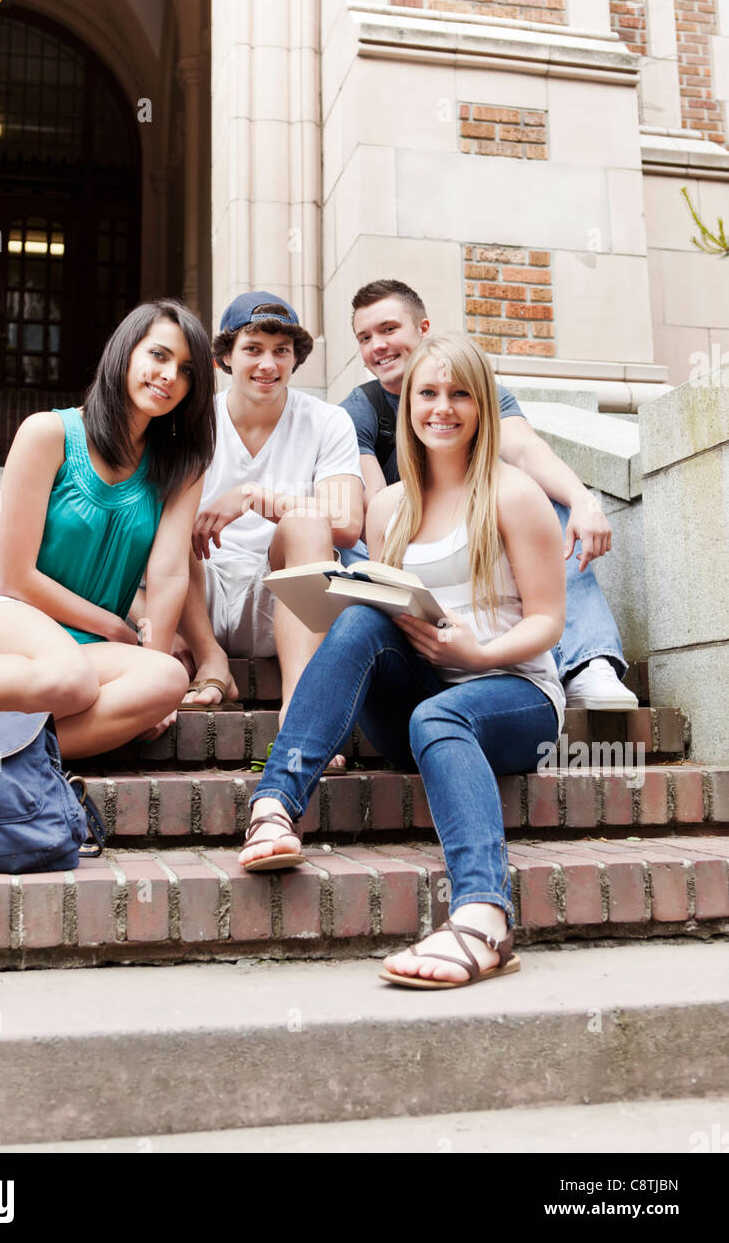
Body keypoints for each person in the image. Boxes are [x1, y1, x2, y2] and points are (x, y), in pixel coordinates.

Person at [239, 333, 566, 989]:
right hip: (420, 695)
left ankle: (484, 916)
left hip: (514, 694)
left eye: (459, 394)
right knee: (363, 617)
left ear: (482, 407)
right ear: (408, 403)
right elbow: (383, 615)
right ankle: (274, 805)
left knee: (441, 719)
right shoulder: (390, 508)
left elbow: (547, 622)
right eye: (429, 393)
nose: (442, 408)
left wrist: (477, 650)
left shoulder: (513, 493)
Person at [0, 300, 216, 759]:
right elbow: (16, 580)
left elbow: (170, 573)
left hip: (82, 646)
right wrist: (115, 627)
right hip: (1, 612)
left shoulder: (181, 466)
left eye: (187, 370)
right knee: (72, 678)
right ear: (125, 353)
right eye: (158, 355)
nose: (169, 376)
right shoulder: (49, 432)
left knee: (166, 678)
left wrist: (149, 654)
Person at [339, 279, 638, 711]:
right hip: (401, 545)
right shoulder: (360, 407)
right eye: (364, 338)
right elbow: (378, 501)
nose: (377, 346)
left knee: (548, 506)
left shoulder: (479, 387)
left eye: (388, 330)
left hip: (475, 530)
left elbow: (524, 450)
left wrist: (581, 500)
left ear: (423, 329)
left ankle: (588, 662)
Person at [175, 291, 363, 731]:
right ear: (224, 358)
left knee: (306, 522)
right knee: (169, 522)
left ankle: (299, 709)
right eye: (253, 350)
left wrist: (257, 497)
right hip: (201, 593)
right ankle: (209, 658)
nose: (268, 364)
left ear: (295, 359)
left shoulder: (327, 421)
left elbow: (349, 523)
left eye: (282, 351)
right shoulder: (192, 420)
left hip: (284, 598)